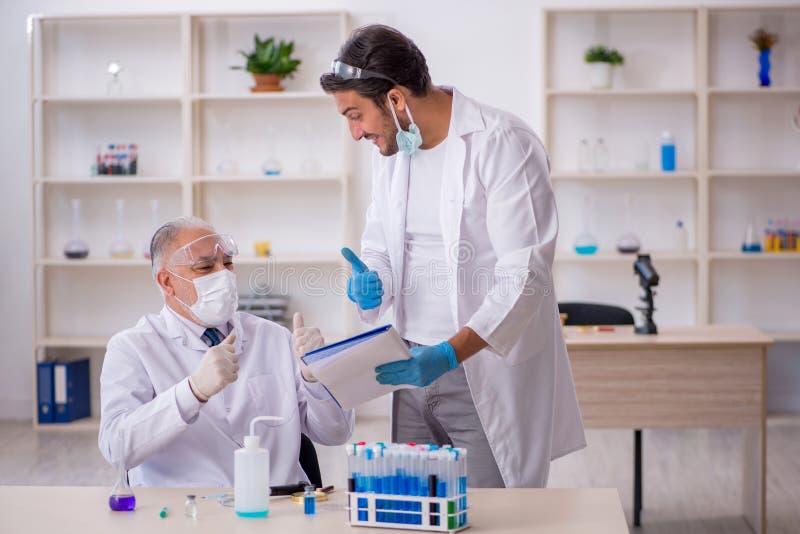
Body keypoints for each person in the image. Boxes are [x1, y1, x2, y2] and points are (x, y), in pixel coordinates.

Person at [320, 25, 585, 488]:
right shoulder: (393, 151)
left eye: (355, 115)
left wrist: (449, 353)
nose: (356, 132)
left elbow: (525, 275)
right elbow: (379, 244)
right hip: (408, 367)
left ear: (396, 99)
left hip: (479, 368)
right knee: (413, 506)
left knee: (493, 511)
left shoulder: (503, 143)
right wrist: (374, 279)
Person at [98, 216, 354, 487]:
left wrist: (317, 379)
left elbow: (336, 434)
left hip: (278, 503)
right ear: (167, 282)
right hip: (185, 508)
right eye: (205, 267)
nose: (223, 274)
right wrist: (192, 392)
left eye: (228, 263)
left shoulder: (274, 337)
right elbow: (117, 449)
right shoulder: (132, 348)